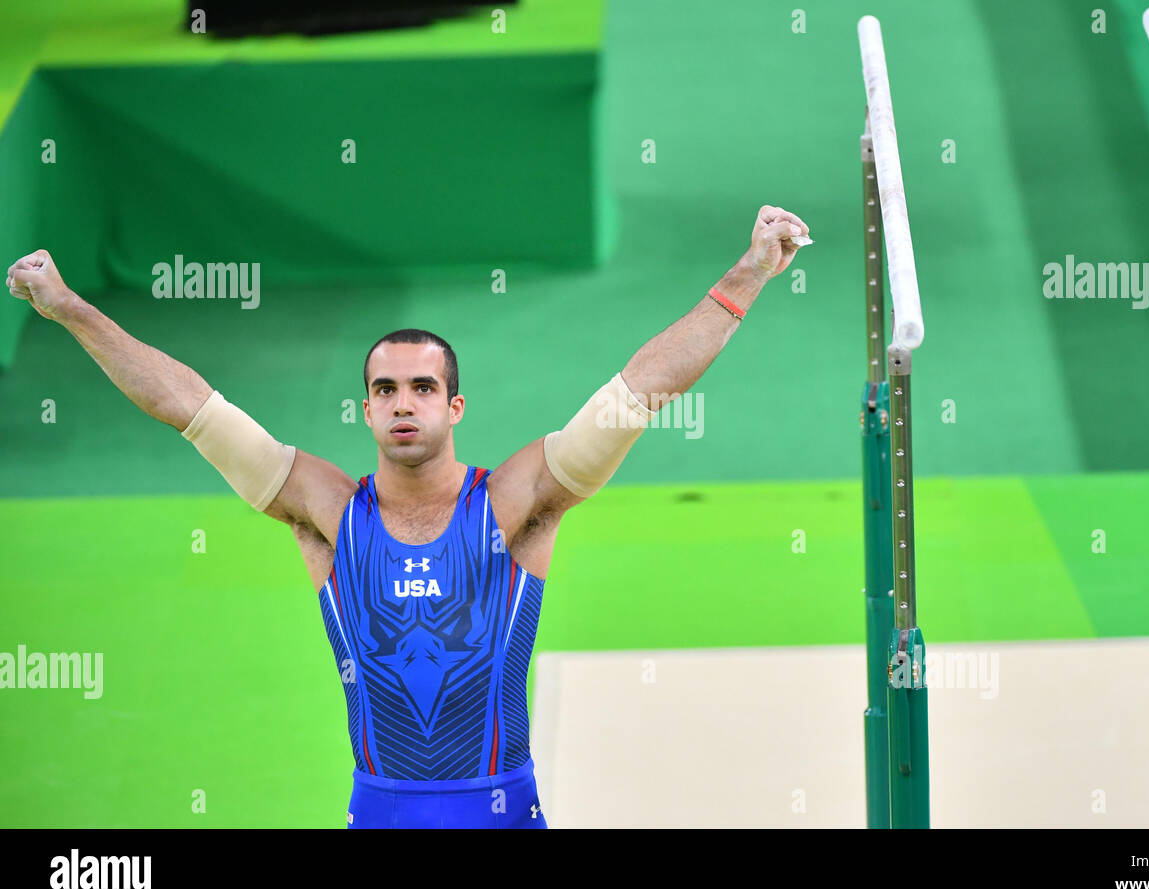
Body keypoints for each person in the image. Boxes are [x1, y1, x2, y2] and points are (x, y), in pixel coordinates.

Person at [6, 205, 811, 828]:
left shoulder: (514, 502)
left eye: (422, 387)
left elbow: (637, 393)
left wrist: (744, 278)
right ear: (365, 409)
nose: (404, 403)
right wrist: (72, 308)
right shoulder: (324, 508)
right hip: (380, 811)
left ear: (454, 404)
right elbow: (190, 406)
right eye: (386, 389)